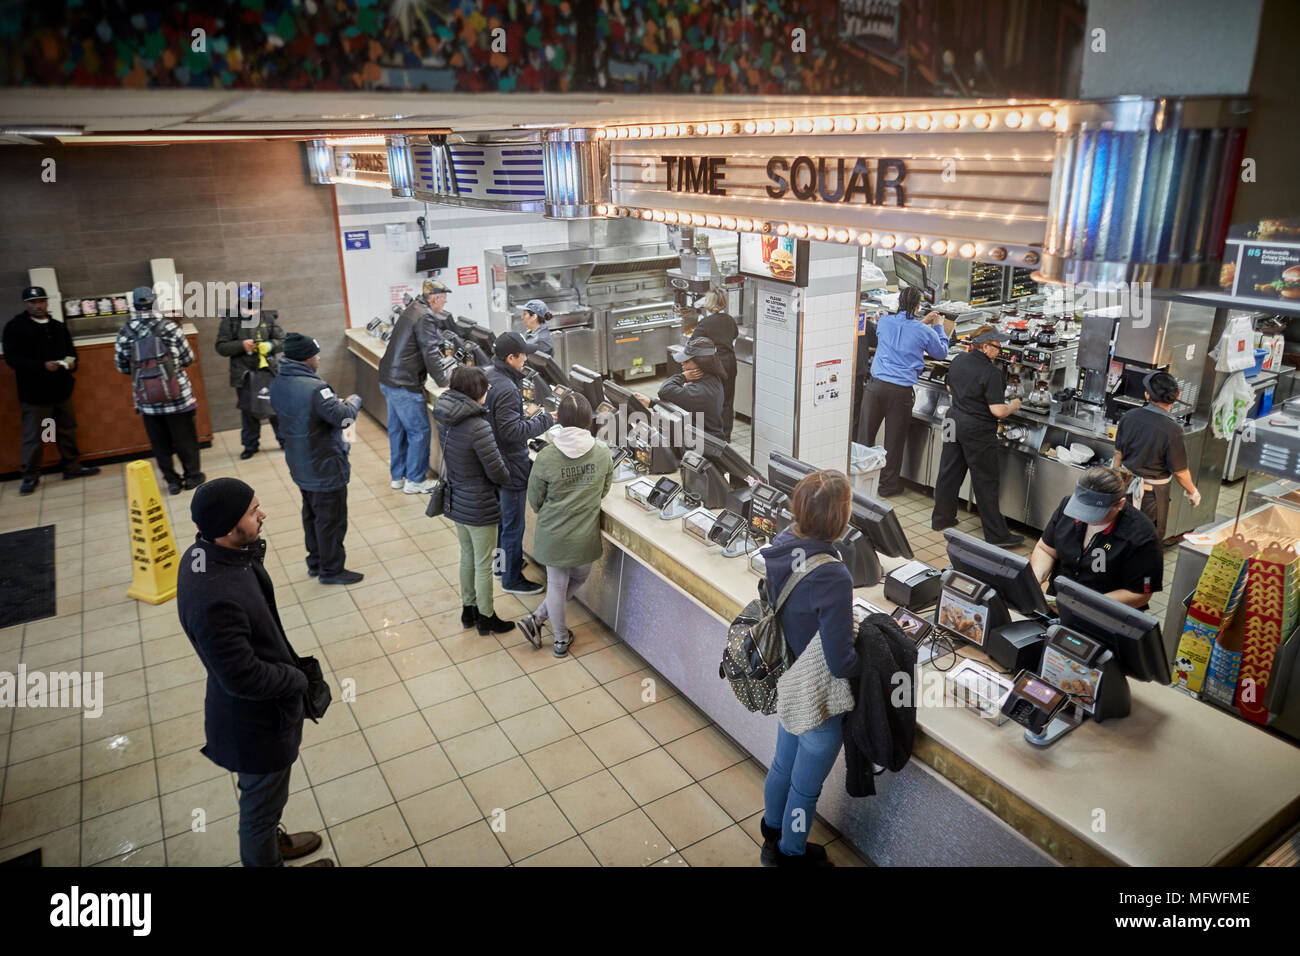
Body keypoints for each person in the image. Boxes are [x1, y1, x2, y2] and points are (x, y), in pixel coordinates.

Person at [177, 478, 333, 867]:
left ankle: (271, 844)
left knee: (262, 801)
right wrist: (296, 680)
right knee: (259, 812)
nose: (262, 515)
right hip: (256, 726)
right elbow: (242, 677)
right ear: (228, 527)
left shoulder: (213, 554)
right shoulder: (215, 595)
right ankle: (266, 855)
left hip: (253, 716)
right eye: (252, 511)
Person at [759, 469, 859, 867]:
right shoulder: (832, 574)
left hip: (789, 677)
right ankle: (790, 853)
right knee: (806, 788)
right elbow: (840, 661)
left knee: (783, 764)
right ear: (840, 518)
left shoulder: (783, 542)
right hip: (816, 693)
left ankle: (771, 829)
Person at [517, 392, 613, 657]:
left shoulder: (547, 456)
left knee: (557, 585)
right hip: (584, 533)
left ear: (561, 419)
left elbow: (535, 498)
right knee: (579, 576)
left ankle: (555, 636)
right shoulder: (602, 452)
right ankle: (541, 622)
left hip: (553, 532)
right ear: (588, 420)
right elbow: (604, 489)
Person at [269, 333, 365, 586]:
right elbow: (343, 418)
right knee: (331, 520)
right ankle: (331, 570)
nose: (319, 358)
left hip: (299, 461)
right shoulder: (316, 389)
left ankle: (315, 562)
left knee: (311, 514)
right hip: (323, 464)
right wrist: (354, 401)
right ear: (306, 358)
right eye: (316, 354)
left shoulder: (279, 382)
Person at [433, 366, 516, 636]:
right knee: (484, 563)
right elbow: (497, 471)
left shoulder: (445, 415)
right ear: (475, 391)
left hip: (456, 497)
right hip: (480, 504)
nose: (488, 391)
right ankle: (486, 617)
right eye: (485, 387)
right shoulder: (478, 426)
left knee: (467, 556)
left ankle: (468, 610)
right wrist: (506, 473)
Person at [930, 325, 1023, 548]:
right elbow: (998, 411)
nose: (999, 350)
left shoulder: (959, 359)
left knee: (949, 471)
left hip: (953, 419)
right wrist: (1014, 405)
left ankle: (941, 518)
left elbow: (950, 387)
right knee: (985, 481)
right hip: (977, 428)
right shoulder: (992, 373)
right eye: (996, 346)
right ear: (984, 346)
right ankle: (997, 536)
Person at [3, 285, 99, 495]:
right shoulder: (15, 327)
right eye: (32, 302)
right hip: (35, 395)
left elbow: (71, 353)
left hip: (61, 390)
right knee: (35, 437)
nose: (37, 306)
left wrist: (71, 363)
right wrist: (41, 366)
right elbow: (13, 359)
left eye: (41, 301)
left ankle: (72, 467)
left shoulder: (57, 326)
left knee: (67, 430)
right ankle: (30, 476)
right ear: (26, 304)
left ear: (46, 302)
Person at [1030, 465, 1164, 609]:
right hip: (1057, 605)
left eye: (1093, 513)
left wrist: (1087, 603)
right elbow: (1046, 549)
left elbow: (1140, 594)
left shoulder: (1142, 535)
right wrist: (1034, 580)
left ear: (1119, 504)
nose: (1084, 518)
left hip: (1103, 616)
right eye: (1081, 508)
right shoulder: (1066, 507)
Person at [114, 285, 204, 496]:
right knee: (186, 438)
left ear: (134, 306)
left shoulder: (125, 332)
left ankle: (172, 481)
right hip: (178, 397)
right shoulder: (170, 327)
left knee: (159, 442)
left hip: (147, 401)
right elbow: (188, 358)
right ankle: (192, 476)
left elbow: (121, 366)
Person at [860, 286, 950, 496]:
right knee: (894, 440)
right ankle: (887, 486)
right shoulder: (924, 331)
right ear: (918, 305)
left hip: (875, 387)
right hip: (900, 393)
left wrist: (923, 323)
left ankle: (861, 480)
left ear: (899, 302)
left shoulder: (884, 322)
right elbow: (941, 352)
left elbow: (902, 333)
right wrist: (937, 327)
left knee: (865, 435)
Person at [484, 332, 554, 596]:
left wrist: (518, 414)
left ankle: (502, 567)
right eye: (523, 354)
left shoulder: (491, 376)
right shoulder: (507, 387)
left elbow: (500, 420)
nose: (526, 358)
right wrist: (547, 419)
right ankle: (511, 579)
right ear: (511, 358)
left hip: (493, 461)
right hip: (510, 465)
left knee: (503, 522)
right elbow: (512, 432)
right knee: (513, 525)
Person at [377, 281, 450, 495]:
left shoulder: (413, 309)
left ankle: (398, 477)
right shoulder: (426, 317)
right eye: (444, 298)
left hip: (389, 378)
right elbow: (430, 352)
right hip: (405, 383)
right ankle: (415, 480)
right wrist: (444, 381)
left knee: (398, 430)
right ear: (435, 298)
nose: (445, 302)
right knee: (419, 431)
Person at [1113, 370, 1201, 541]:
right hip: (1152, 497)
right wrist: (1193, 492)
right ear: (1177, 395)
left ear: (1147, 395)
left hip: (1124, 487)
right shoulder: (1172, 430)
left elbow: (1118, 453)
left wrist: (1113, 482)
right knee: (1146, 539)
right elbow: (1180, 473)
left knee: (1119, 534)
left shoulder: (1129, 417)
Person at [214, 284, 285, 461]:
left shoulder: (267, 317)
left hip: (268, 371)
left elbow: (282, 340)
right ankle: (250, 445)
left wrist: (271, 345)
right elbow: (221, 347)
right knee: (249, 410)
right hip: (244, 374)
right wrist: (241, 345)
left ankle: (284, 440)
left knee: (276, 408)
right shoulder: (230, 319)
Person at [655, 336, 726, 439]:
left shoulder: (700, 391)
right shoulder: (712, 379)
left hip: (705, 444)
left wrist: (683, 377)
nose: (682, 363)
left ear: (702, 364)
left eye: (687, 361)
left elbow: (664, 391)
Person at [693, 289, 739, 439]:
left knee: (713, 399)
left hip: (714, 364)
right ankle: (726, 435)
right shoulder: (730, 320)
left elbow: (692, 343)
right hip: (730, 363)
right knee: (727, 400)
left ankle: (714, 435)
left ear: (708, 304)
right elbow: (735, 334)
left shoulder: (705, 323)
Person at [850, 313, 878, 443]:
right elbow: (876, 341)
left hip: (840, 373)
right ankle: (852, 451)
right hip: (856, 374)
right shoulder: (862, 320)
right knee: (854, 417)